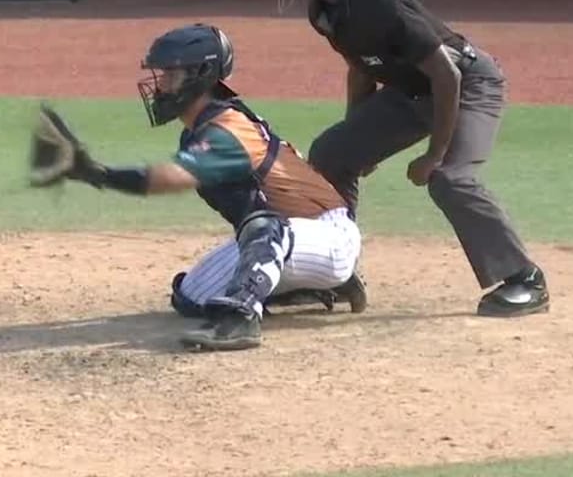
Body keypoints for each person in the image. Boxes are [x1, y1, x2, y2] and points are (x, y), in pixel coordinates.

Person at [261, 0, 549, 318]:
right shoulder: (322, 10)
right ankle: (331, 276)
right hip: (412, 91)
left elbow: (447, 75)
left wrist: (434, 155)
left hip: (468, 83)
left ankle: (524, 278)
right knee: (332, 153)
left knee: (449, 178)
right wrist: (359, 139)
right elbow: (361, 69)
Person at [27, 23, 365, 352]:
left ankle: (242, 320)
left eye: (170, 76)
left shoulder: (228, 129)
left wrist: (99, 173)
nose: (160, 87)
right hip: (290, 242)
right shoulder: (199, 130)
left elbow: (173, 178)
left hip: (329, 236)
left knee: (266, 229)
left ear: (200, 76)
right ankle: (302, 285)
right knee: (191, 298)